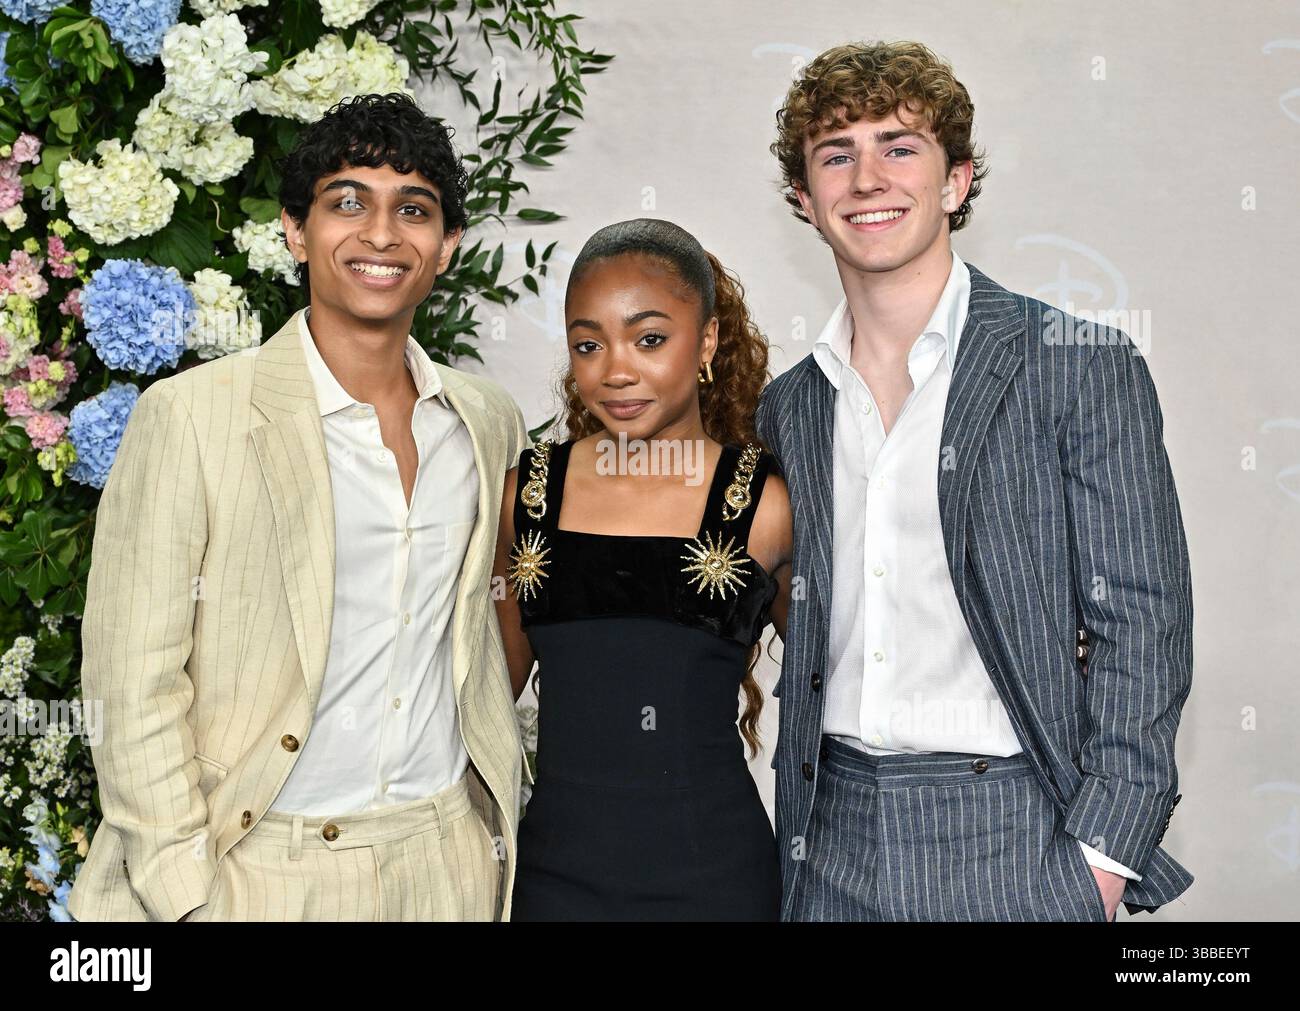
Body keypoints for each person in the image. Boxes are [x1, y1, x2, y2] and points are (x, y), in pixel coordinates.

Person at [758, 41, 1193, 921]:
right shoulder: (788, 408)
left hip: (1017, 838)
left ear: (956, 181)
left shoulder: (1077, 366)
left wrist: (1100, 864)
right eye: (837, 155)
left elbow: (1143, 626)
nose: (868, 177)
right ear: (806, 199)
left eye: (900, 146)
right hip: (827, 837)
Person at [68, 93, 529, 922]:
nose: (382, 234)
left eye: (413, 210)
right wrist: (185, 895)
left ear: (447, 246)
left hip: (445, 860)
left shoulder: (485, 422)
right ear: (294, 229)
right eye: (347, 201)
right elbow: (131, 683)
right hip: (254, 866)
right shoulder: (194, 416)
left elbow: (492, 636)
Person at [491, 218, 794, 920]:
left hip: (717, 882)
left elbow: (831, 689)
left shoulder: (764, 502)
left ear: (708, 340)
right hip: (554, 882)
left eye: (649, 338)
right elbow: (486, 702)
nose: (616, 369)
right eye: (588, 344)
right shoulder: (527, 494)